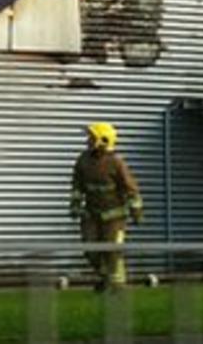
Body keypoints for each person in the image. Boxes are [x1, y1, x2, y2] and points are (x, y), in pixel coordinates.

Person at [70, 122, 143, 292]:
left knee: (113, 251)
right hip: (91, 214)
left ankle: (117, 285)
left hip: (114, 217)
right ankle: (104, 276)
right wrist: (74, 204)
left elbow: (130, 188)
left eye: (91, 137)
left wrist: (136, 211)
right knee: (90, 249)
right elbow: (77, 186)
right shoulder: (83, 160)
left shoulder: (116, 163)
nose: (88, 140)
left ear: (103, 140)